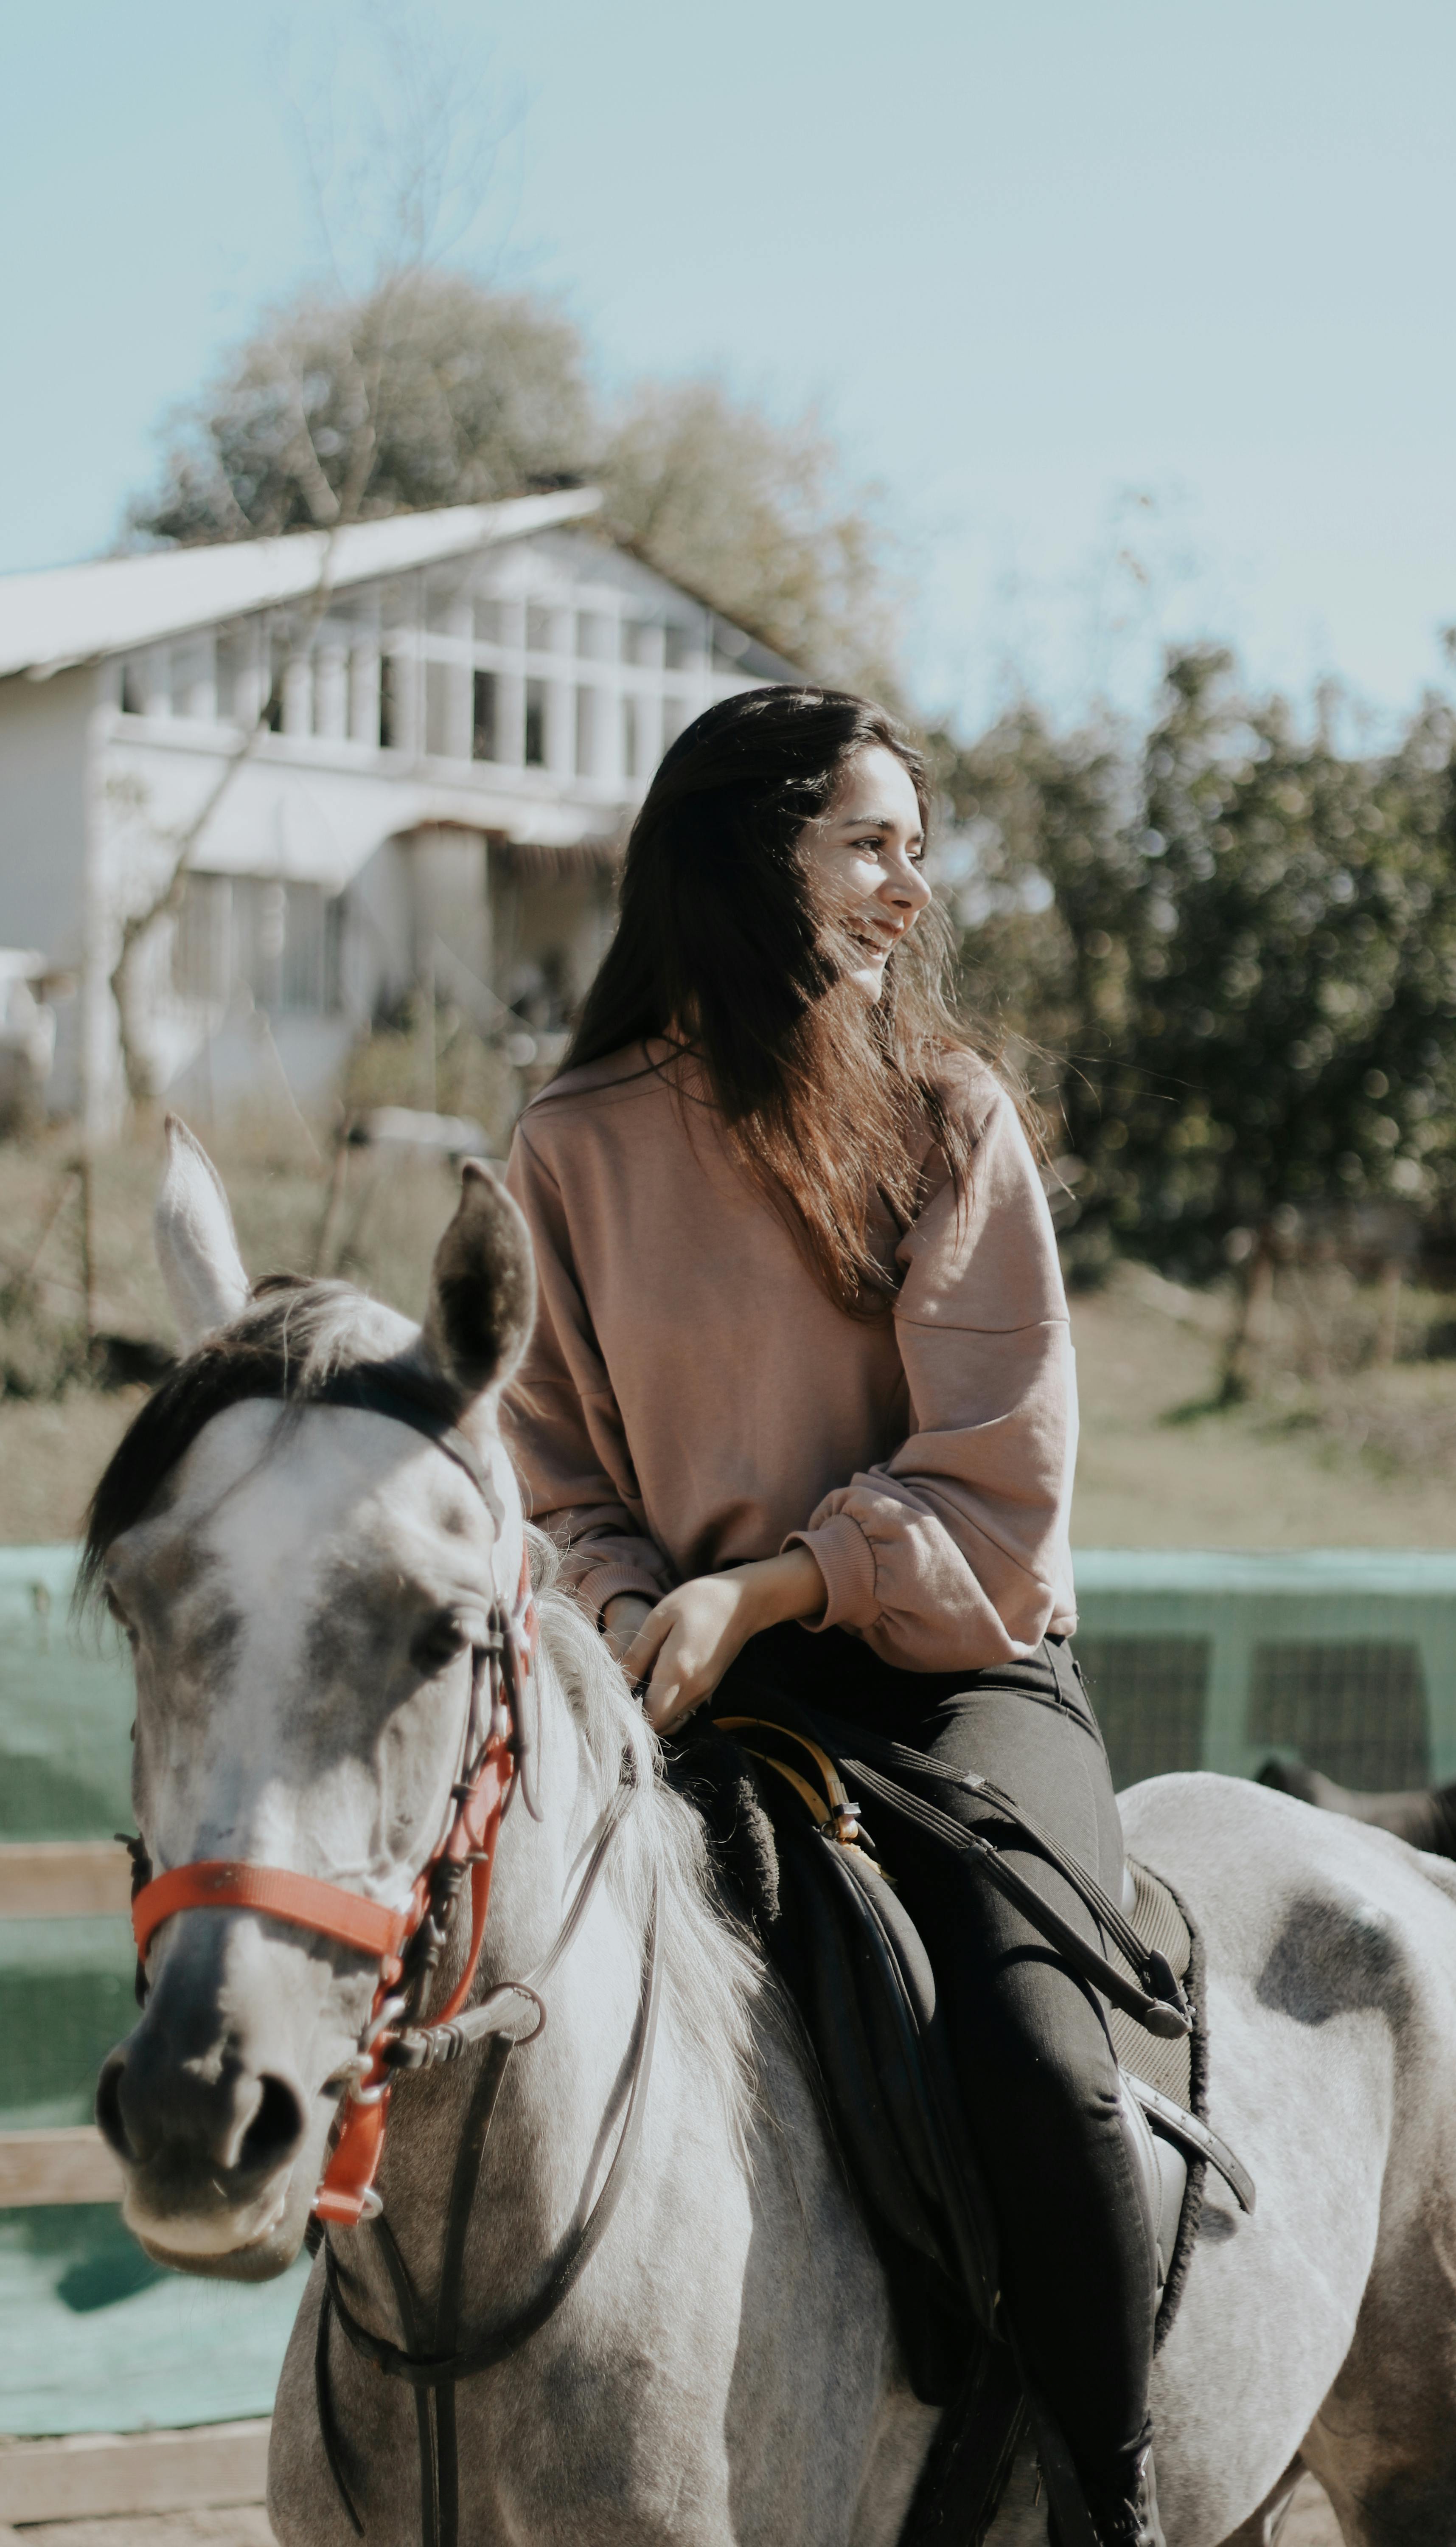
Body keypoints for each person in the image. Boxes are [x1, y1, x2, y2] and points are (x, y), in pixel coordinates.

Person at [503, 686, 1162, 2547]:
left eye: (915, 847)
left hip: (956, 1664)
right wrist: (640, 1607)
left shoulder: (951, 1121)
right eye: (868, 842)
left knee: (1033, 2056)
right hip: (681, 1680)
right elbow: (554, 1473)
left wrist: (768, 1588)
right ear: (744, 854)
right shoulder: (573, 1142)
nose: (909, 887)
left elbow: (1001, 1471)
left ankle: (1111, 2502)